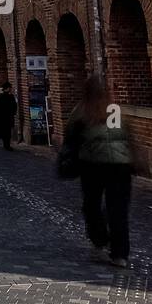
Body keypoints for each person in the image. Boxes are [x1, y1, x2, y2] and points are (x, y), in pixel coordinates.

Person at [63, 74, 134, 268]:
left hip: (93, 165)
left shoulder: (82, 111)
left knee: (91, 206)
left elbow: (70, 139)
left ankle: (100, 241)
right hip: (120, 166)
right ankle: (120, 254)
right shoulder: (115, 109)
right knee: (118, 209)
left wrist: (68, 161)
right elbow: (127, 136)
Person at [0, 81, 18, 151]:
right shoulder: (10, 96)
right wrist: (13, 113)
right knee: (7, 132)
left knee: (4, 131)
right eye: (10, 88)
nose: (11, 89)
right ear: (8, 88)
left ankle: (5, 144)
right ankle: (7, 145)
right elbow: (14, 106)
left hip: (0, 117)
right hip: (7, 117)